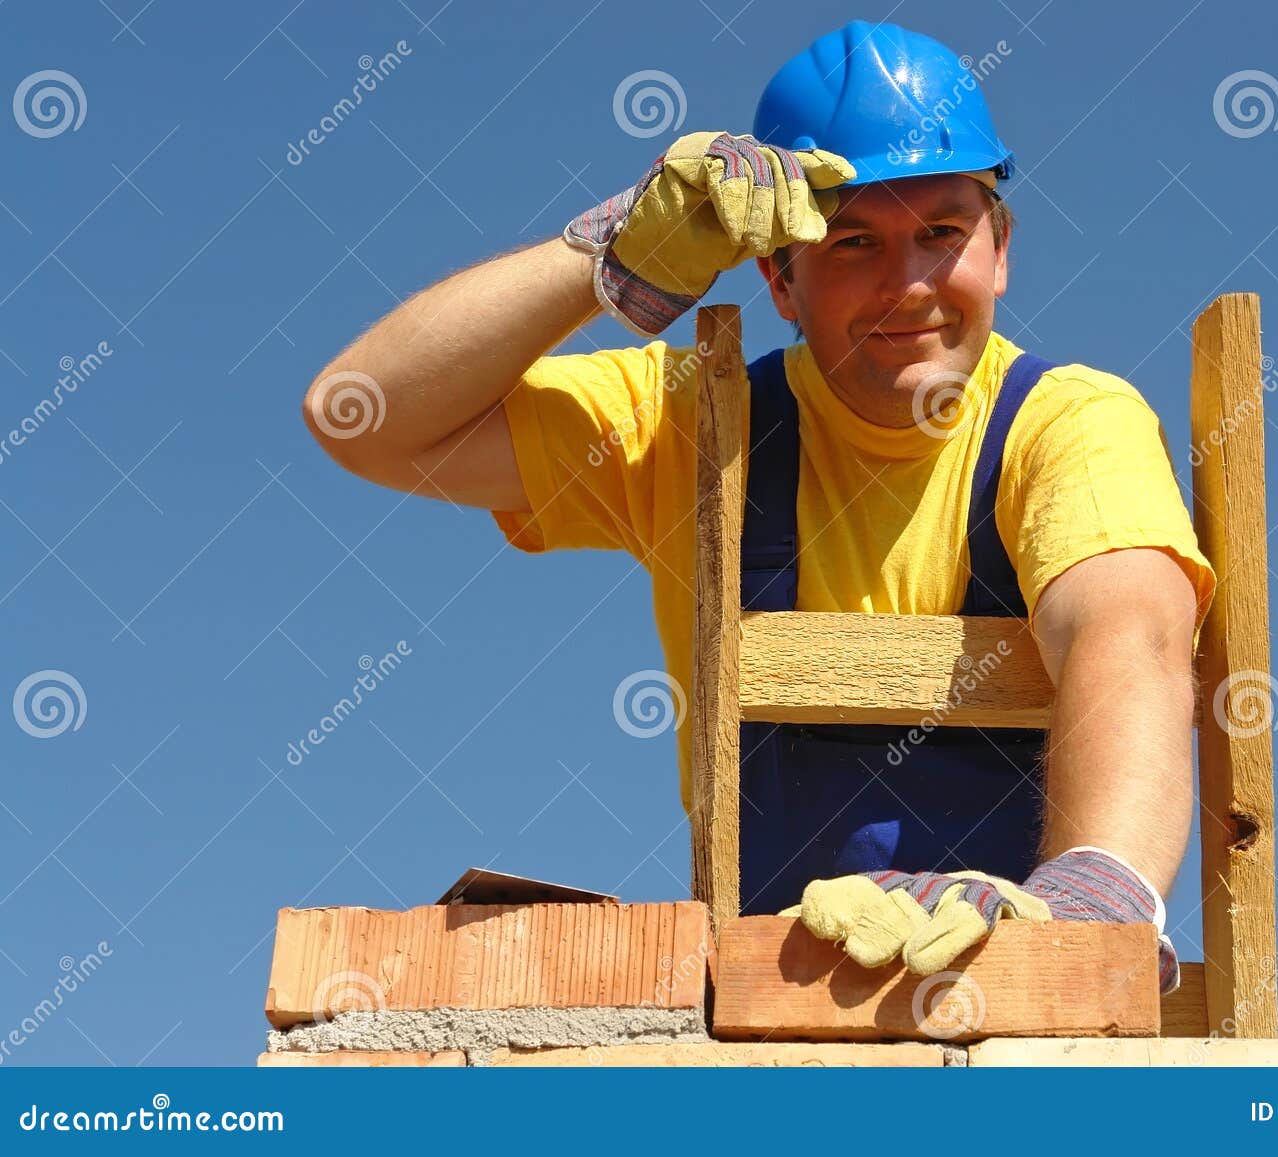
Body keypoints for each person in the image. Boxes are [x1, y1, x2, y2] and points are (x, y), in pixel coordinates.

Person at [304, 21, 1215, 996]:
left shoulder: (1069, 420)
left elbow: (1129, 631)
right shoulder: (695, 431)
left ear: (1000, 249)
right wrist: (605, 260)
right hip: (773, 1017)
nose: (909, 282)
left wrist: (1091, 896)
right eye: (854, 241)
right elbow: (365, 417)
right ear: (779, 277)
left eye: (942, 233)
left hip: (1030, 1004)